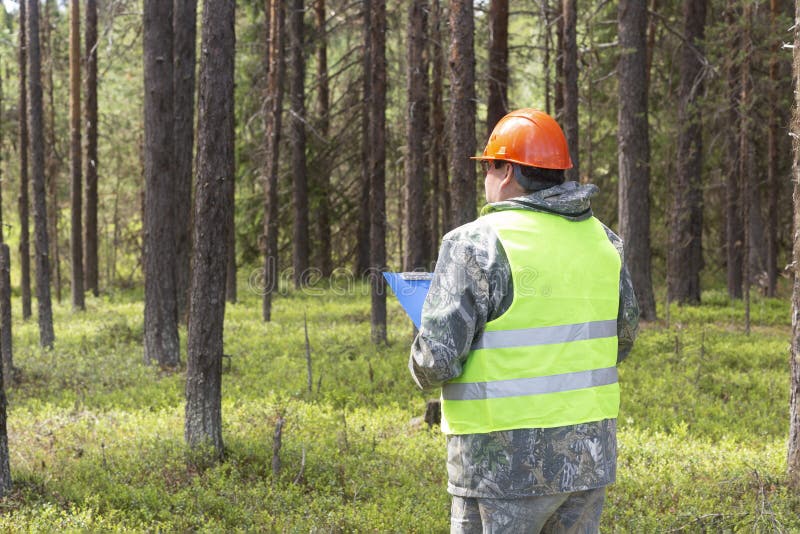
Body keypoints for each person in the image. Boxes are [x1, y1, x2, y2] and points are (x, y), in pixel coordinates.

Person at [409, 108, 639, 533]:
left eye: (488, 166)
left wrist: (420, 350)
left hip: (501, 465)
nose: (485, 177)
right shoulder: (605, 241)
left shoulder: (476, 244)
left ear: (508, 171)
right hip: (588, 457)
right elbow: (621, 339)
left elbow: (436, 361)